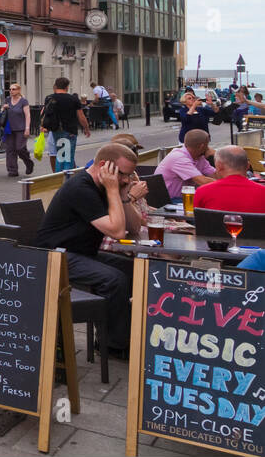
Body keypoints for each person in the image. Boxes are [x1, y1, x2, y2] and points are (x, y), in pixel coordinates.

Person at [35, 143, 144, 357]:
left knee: (135, 269)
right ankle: (113, 346)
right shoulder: (81, 188)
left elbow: (133, 227)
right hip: (55, 255)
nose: (126, 180)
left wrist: (122, 194)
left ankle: (122, 333)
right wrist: (114, 189)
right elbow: (118, 232)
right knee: (114, 280)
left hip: (81, 252)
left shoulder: (106, 186)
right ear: (104, 166)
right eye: (123, 174)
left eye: (130, 176)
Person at [192, 145, 265, 213]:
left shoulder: (203, 192)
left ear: (219, 166)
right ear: (248, 166)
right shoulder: (262, 192)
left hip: (215, 227)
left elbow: (199, 221)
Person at [41, 77, 91, 172]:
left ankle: (59, 180)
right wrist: (86, 128)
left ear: (55, 86)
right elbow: (81, 116)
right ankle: (66, 182)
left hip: (56, 131)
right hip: (70, 131)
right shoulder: (73, 99)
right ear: (67, 87)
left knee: (60, 156)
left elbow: (44, 114)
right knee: (68, 159)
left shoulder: (49, 98)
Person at [154, 128, 216, 201]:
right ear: (202, 146)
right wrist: (227, 184)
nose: (209, 148)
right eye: (207, 145)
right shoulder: (179, 158)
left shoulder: (198, 157)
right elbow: (202, 181)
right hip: (169, 201)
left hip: (184, 198)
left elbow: (215, 174)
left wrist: (218, 157)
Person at [3, 83, 34, 177]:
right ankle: (12, 170)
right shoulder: (7, 100)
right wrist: (3, 108)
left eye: (14, 89)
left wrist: (27, 128)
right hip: (9, 129)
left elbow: (28, 115)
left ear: (19, 90)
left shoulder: (23, 101)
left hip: (21, 128)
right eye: (10, 89)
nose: (11, 91)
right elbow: (2, 112)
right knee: (10, 149)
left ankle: (29, 163)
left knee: (20, 148)